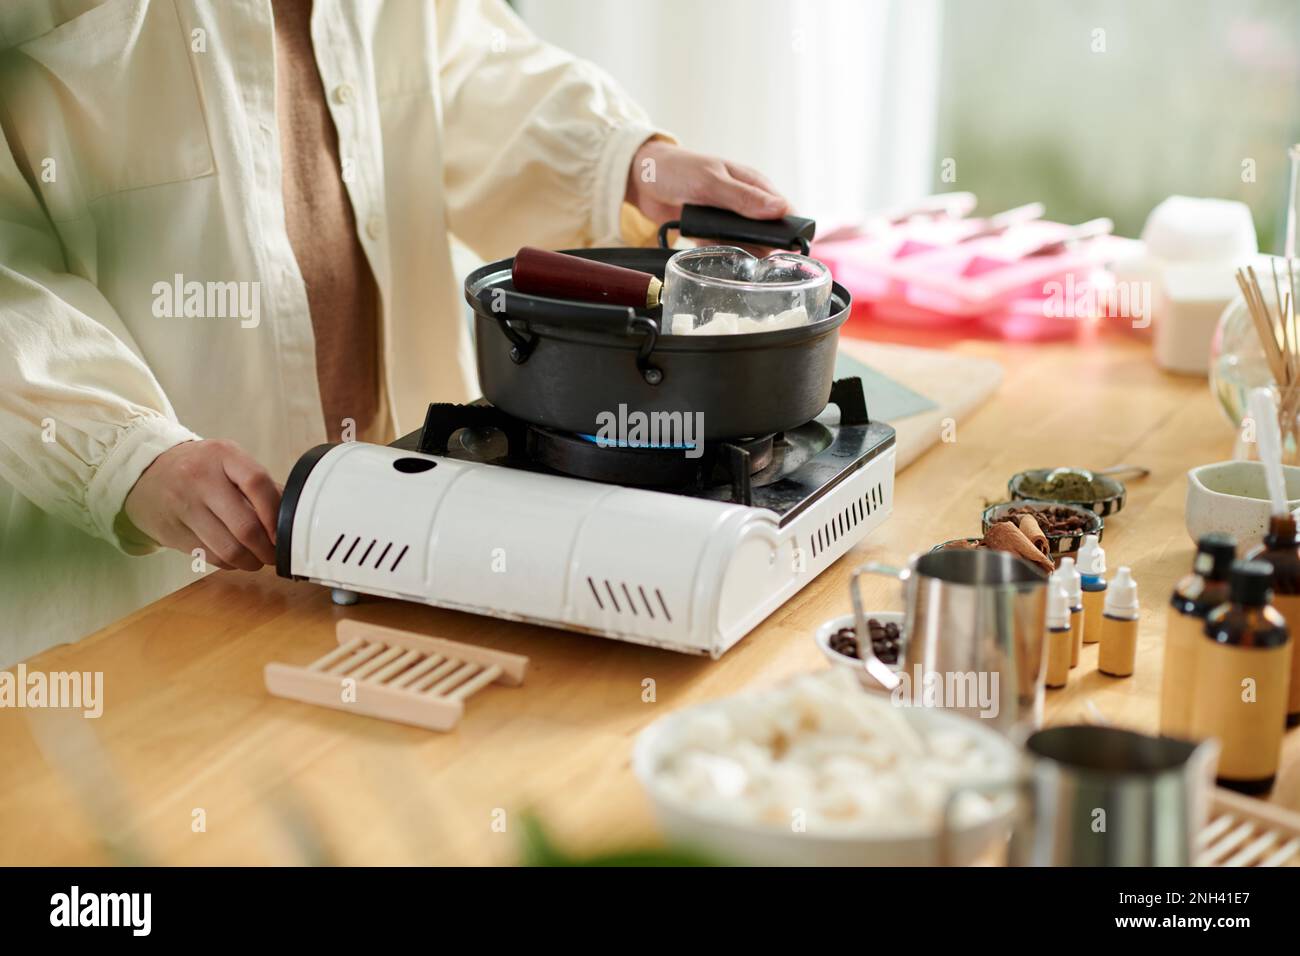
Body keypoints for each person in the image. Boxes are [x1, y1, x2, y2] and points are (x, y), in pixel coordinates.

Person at [0, 0, 789, 663]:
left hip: (397, 519)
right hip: (148, 576)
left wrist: (623, 161)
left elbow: (458, 65)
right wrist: (124, 452)